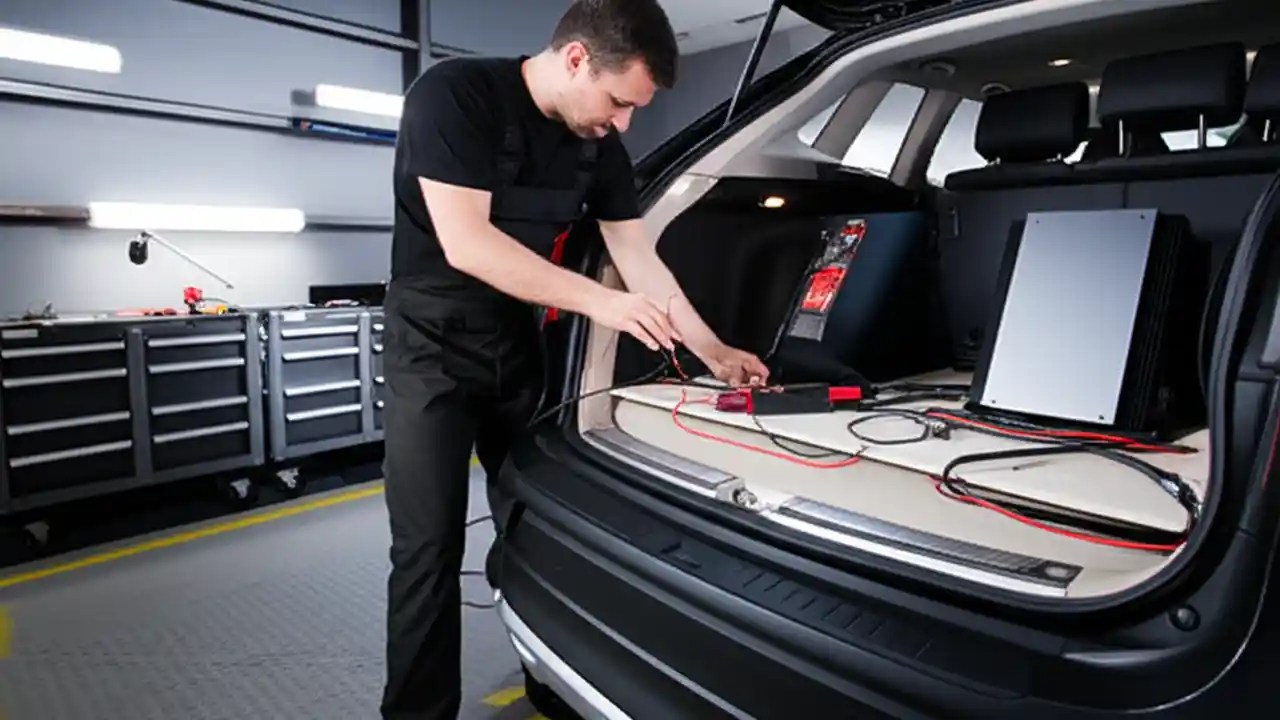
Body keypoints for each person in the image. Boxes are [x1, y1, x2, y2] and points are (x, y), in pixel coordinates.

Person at [379, 0, 770, 717]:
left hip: (515, 342)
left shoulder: (600, 147)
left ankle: (549, 672)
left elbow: (638, 260)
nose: (622, 123)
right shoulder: (454, 95)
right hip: (428, 345)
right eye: (620, 102)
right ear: (577, 59)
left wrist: (713, 351)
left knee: (538, 523)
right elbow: (468, 244)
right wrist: (603, 303)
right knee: (426, 552)